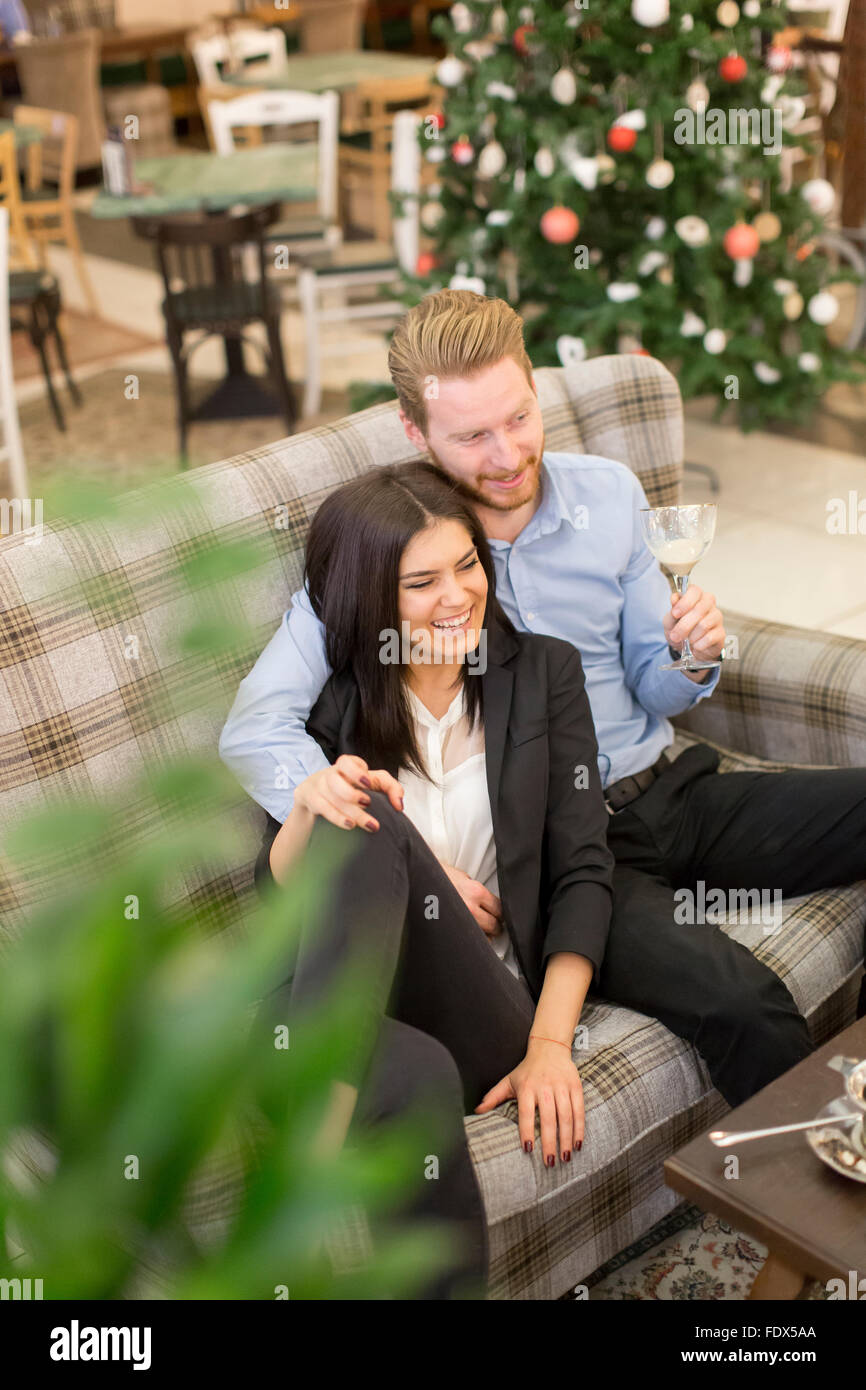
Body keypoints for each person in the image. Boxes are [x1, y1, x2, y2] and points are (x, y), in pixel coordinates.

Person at [222, 288, 866, 1108]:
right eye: (472, 436)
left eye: (519, 419)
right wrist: (403, 862)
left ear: (534, 388)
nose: (506, 455)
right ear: (413, 431)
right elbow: (256, 728)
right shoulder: (394, 550)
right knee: (738, 1000)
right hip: (565, 846)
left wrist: (691, 655)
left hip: (664, 786)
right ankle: (812, 1212)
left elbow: (654, 684)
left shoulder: (609, 496)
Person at [253, 462, 615, 1299]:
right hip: (338, 1006)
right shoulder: (335, 707)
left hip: (479, 998)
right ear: (373, 598)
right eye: (421, 582)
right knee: (411, 1073)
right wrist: (308, 804)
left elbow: (587, 870)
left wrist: (550, 1045)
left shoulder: (546, 674)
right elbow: (278, 891)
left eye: (467, 566)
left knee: (372, 812)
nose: (457, 597)